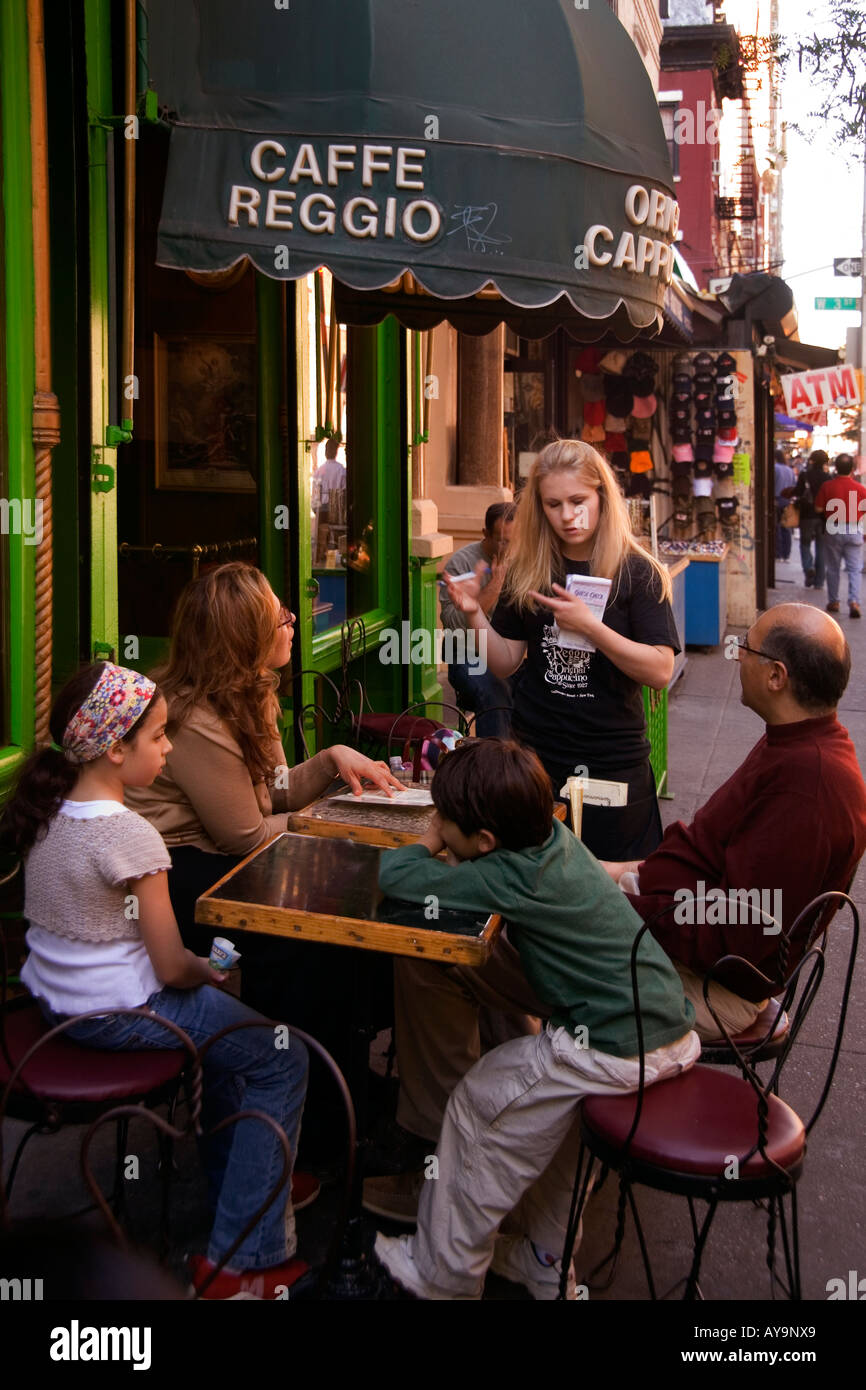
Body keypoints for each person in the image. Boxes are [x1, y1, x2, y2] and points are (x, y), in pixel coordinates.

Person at [0, 662, 310, 1299]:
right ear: (116, 749)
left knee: (234, 1047)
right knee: (282, 1058)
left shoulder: (45, 808)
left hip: (52, 1007)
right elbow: (171, 968)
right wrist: (215, 972)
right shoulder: (132, 836)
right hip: (121, 1014)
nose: (170, 748)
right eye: (159, 737)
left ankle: (245, 1185)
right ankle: (245, 1264)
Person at [370, 739, 698, 1300]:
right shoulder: (556, 839)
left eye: (446, 820)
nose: (440, 826)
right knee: (567, 1138)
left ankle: (440, 1274)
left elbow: (394, 876)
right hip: (668, 1028)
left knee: (477, 1111)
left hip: (609, 1045)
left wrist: (426, 839)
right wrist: (449, 828)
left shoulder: (504, 875)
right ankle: (545, 1261)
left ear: (486, 841)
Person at [602, 603, 866, 1039]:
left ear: (776, 676)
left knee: (520, 944)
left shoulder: (811, 784)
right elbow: (712, 858)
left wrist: (617, 909)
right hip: (678, 921)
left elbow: (734, 936)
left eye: (745, 648)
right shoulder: (796, 744)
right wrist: (622, 876)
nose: (738, 655)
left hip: (713, 987)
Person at [126, 561, 401, 945]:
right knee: (337, 902)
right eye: (279, 619)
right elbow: (246, 839)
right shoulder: (195, 720)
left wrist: (330, 759)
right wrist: (330, 821)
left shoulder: (251, 690)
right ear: (245, 639)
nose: (292, 621)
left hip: (222, 854)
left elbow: (276, 790)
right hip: (180, 875)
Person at [441, 440, 680, 860]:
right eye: (553, 504)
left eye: (578, 501)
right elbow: (505, 662)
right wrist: (475, 613)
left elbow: (660, 670)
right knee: (534, 884)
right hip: (537, 760)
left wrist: (591, 627)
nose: (567, 516)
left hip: (612, 762)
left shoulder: (636, 570)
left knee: (614, 893)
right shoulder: (530, 566)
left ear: (601, 496)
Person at [439, 501, 516, 738]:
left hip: (511, 653)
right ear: (486, 534)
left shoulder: (526, 561)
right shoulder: (462, 562)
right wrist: (495, 584)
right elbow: (454, 625)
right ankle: (493, 765)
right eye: (503, 540)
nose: (509, 548)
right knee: (495, 691)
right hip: (467, 654)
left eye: (515, 540)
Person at [814, 453, 866, 619]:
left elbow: (818, 509)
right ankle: (854, 602)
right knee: (855, 569)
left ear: (835, 468)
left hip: (833, 529)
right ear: (852, 469)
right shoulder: (860, 488)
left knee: (833, 568)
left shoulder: (827, 486)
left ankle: (834, 601)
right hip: (854, 530)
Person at [783, 449, 829, 589]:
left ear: (812, 461)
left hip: (807, 515)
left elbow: (798, 492)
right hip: (823, 517)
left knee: (805, 543)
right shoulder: (828, 477)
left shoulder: (805, 475)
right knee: (821, 548)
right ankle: (819, 582)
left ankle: (808, 568)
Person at [774, 448, 795, 562]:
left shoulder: (775, 468)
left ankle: (778, 553)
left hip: (776, 499)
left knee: (777, 527)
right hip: (787, 500)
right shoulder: (789, 470)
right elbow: (794, 486)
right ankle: (786, 554)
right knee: (786, 527)